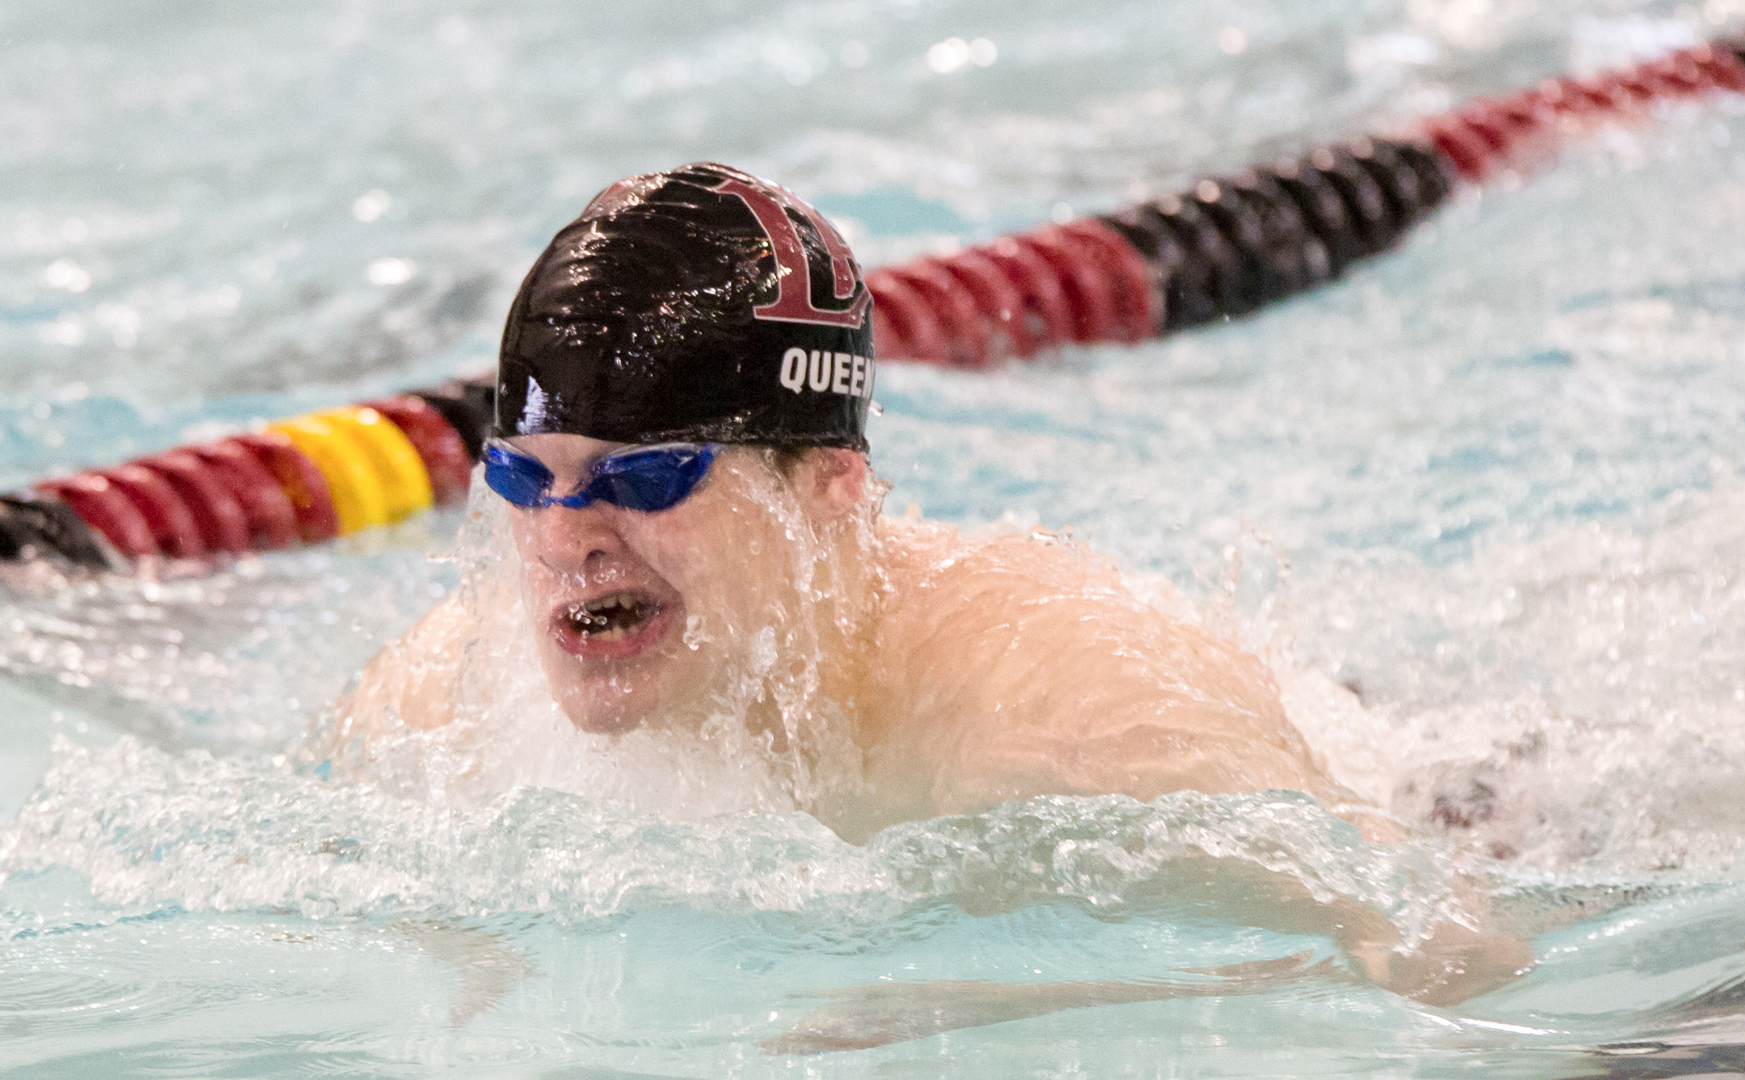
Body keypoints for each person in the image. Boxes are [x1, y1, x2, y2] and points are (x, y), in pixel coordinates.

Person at [335, 163, 1530, 1009]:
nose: (564, 540)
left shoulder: (1063, 710)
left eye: (646, 476)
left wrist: (982, 1005)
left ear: (830, 488)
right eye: (523, 476)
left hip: (1467, 791)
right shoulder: (444, 702)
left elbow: (1449, 947)